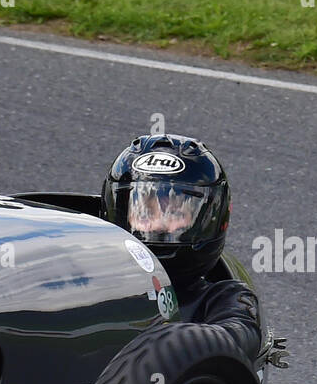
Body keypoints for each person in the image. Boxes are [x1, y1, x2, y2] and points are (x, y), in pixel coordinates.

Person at [102, 134, 265, 361]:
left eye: (175, 213)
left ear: (209, 220)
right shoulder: (95, 283)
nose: (158, 225)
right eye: (145, 212)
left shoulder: (222, 298)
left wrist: (178, 340)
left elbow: (241, 332)